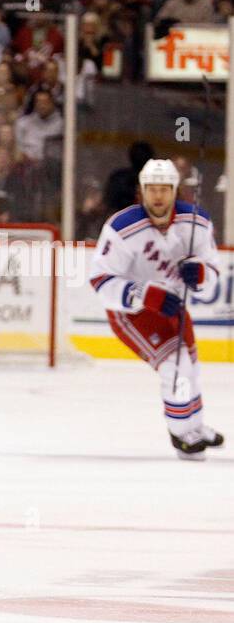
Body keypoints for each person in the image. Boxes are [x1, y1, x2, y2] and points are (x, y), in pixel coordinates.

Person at [87, 159, 223, 460]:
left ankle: (196, 426)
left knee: (192, 367)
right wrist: (145, 296)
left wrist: (200, 273)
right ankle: (180, 434)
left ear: (175, 191)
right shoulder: (121, 227)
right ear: (141, 192)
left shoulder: (198, 222)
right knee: (175, 368)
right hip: (132, 313)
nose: (158, 196)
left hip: (173, 306)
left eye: (164, 189)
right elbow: (100, 279)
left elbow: (213, 268)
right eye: (152, 190)